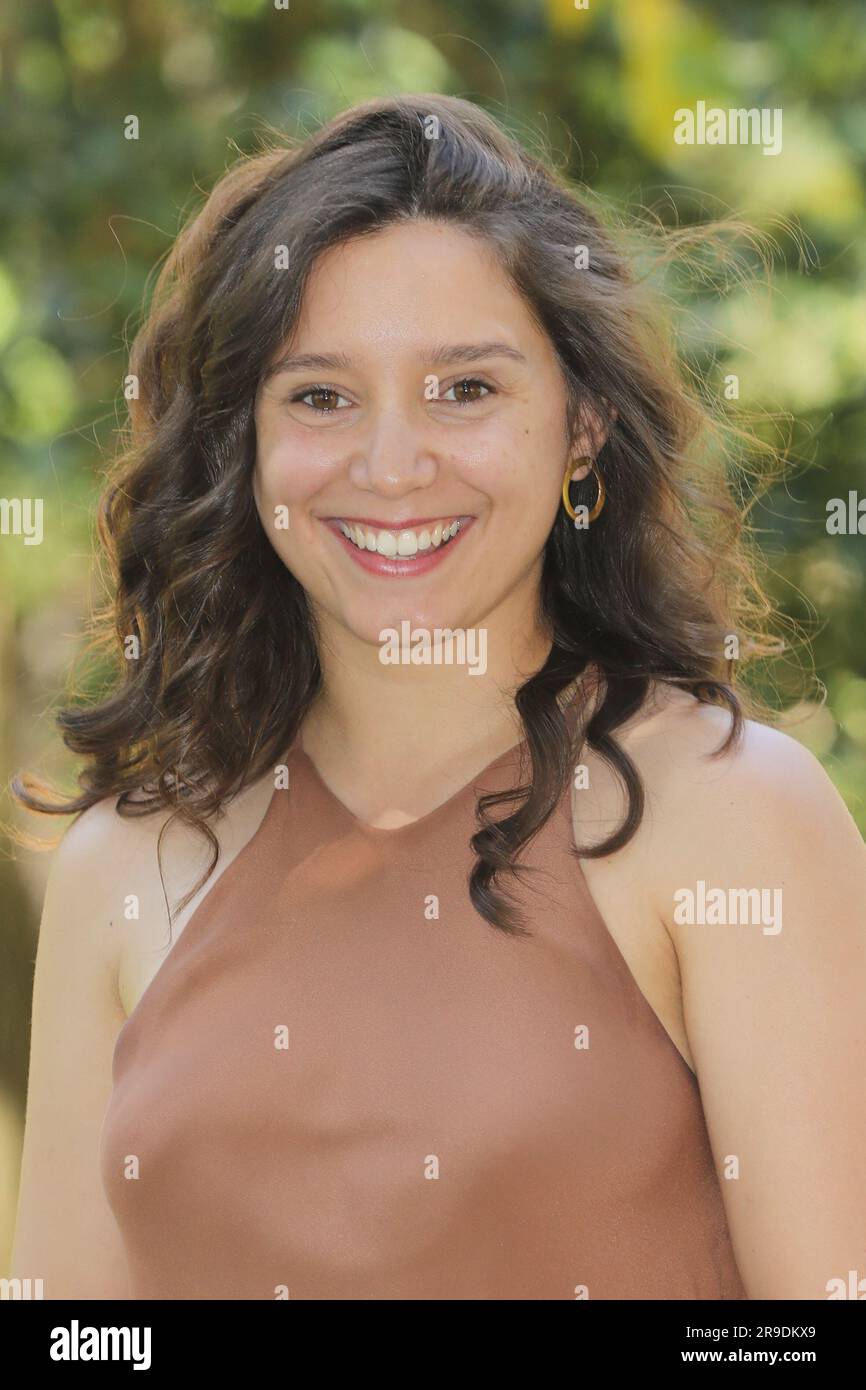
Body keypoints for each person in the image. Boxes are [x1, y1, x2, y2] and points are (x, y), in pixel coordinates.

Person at [11, 93, 866, 1300]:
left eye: (465, 389)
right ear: (241, 445)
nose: (392, 465)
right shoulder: (124, 858)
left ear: (582, 427)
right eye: (318, 396)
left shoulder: (732, 819)